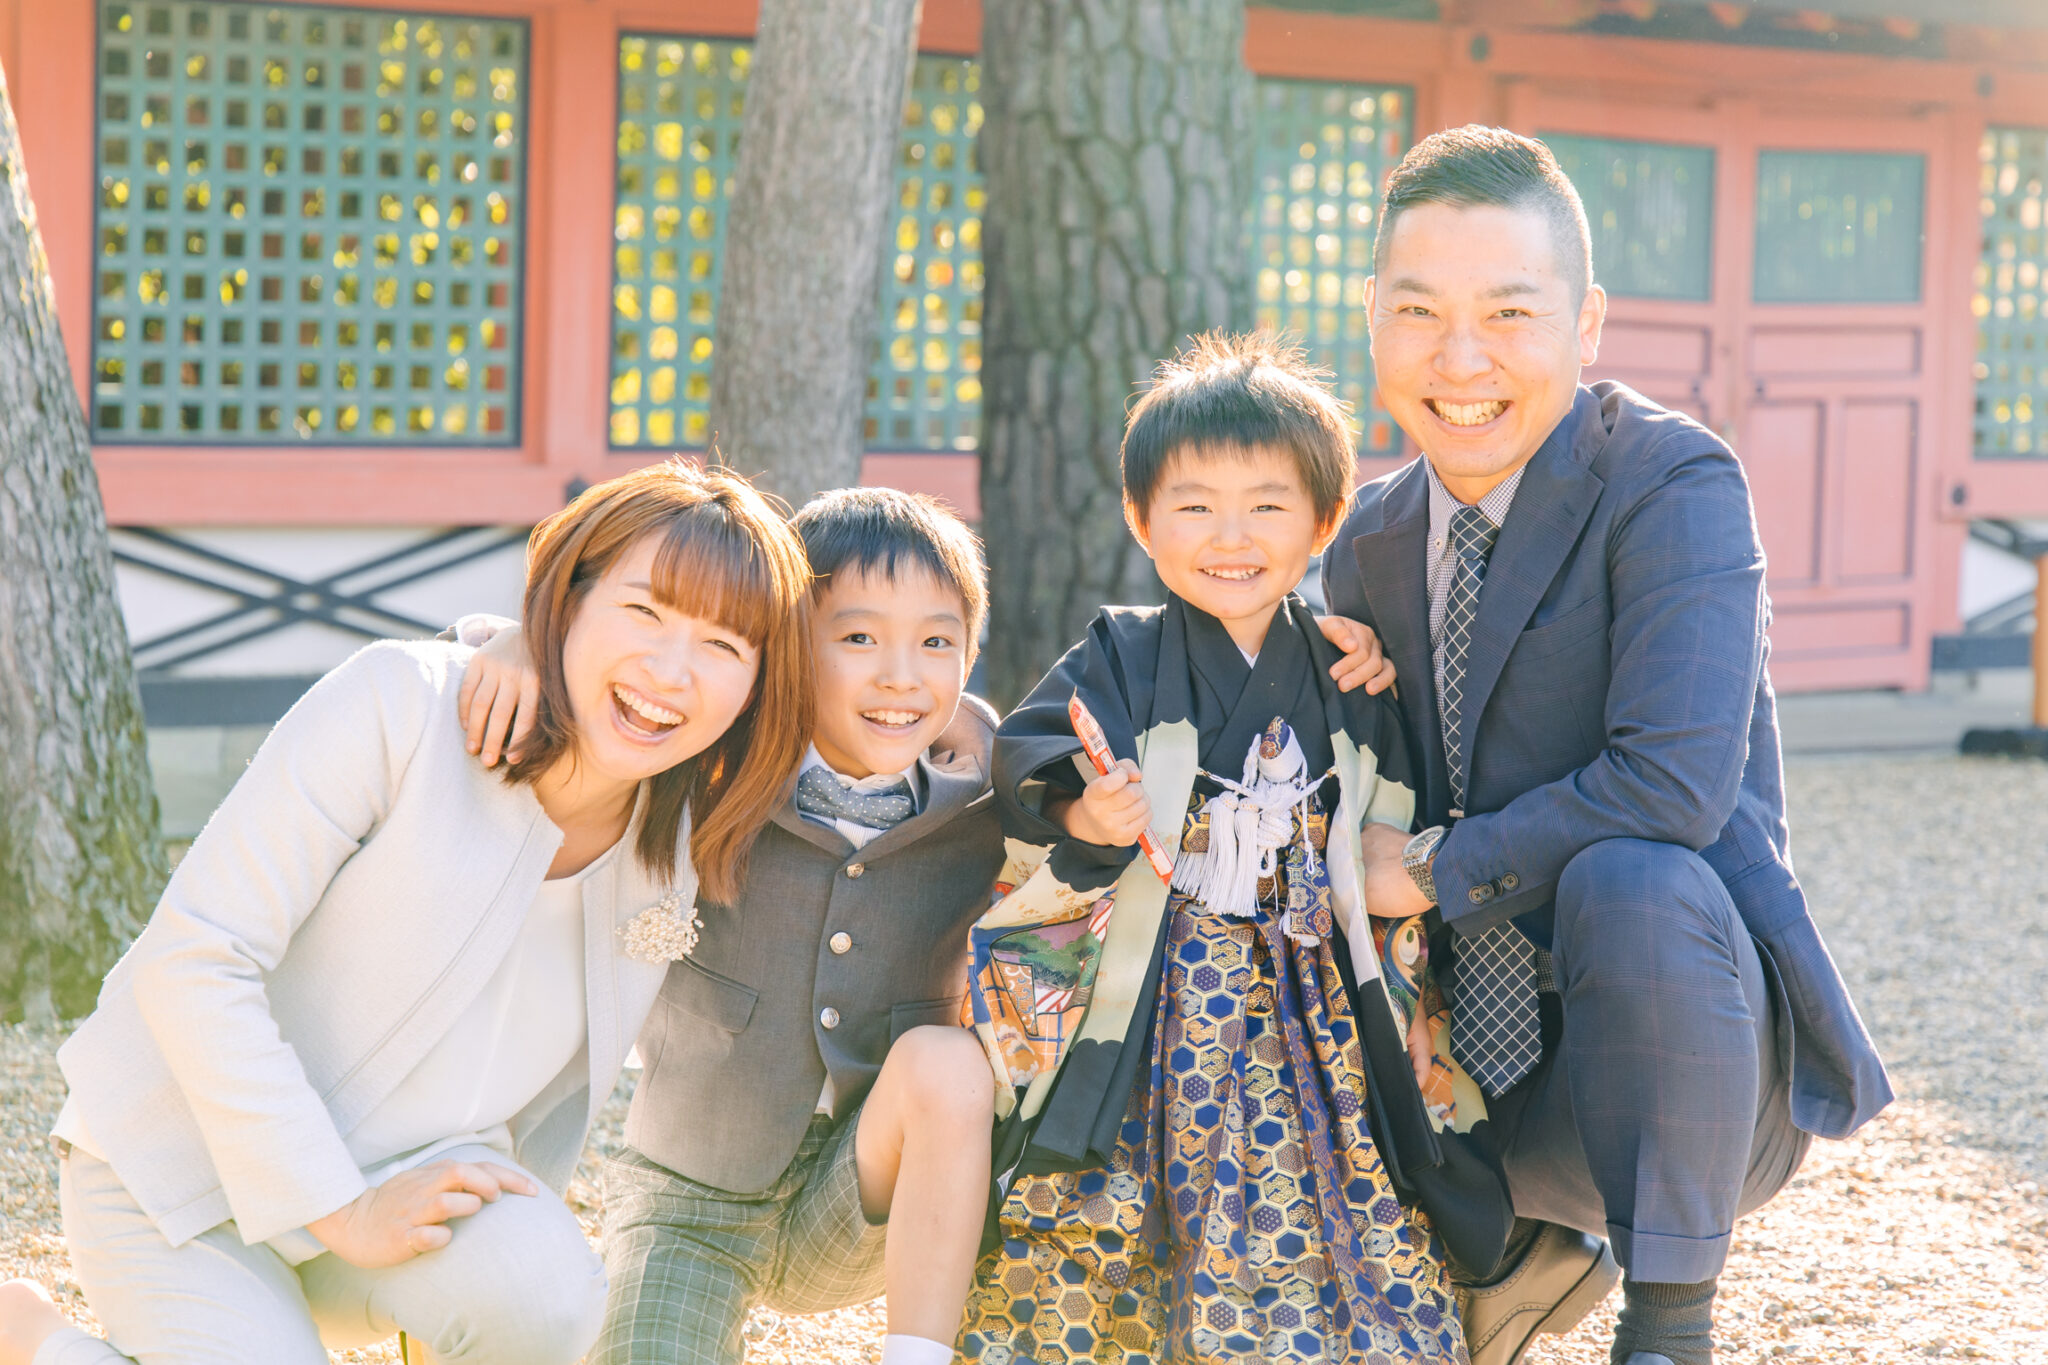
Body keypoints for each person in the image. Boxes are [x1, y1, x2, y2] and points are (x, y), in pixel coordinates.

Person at [0, 461, 813, 1365]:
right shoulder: (402, 708)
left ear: (758, 684)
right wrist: (340, 1208)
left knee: (554, 1303)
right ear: (569, 600)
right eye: (644, 611)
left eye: (723, 645)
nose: (670, 670)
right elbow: (192, 957)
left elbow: (881, 740)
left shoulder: (696, 834)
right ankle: (37, 1339)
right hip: (184, 1179)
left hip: (412, 1199)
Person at [1321, 125, 1892, 1365]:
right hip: (1453, 1079)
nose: (1458, 359)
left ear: (1584, 325)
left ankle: (1667, 1324)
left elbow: (1671, 786)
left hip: (1679, 1065)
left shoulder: (1668, 482)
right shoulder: (1361, 541)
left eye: (1507, 313)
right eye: (1417, 312)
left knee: (1635, 876)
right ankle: (1483, 1253)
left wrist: (1422, 868)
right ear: (1371, 320)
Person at [957, 332, 1508, 1364]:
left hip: (1317, 991)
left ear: (1324, 520)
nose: (1231, 537)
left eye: (1266, 505)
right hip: (1153, 986)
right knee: (1120, 1193)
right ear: (1140, 518)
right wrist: (1088, 815)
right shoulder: (1121, 652)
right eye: (1194, 506)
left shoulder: (1346, 670)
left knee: (1327, 1179)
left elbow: (1389, 829)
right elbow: (1031, 757)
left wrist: (1413, 1001)